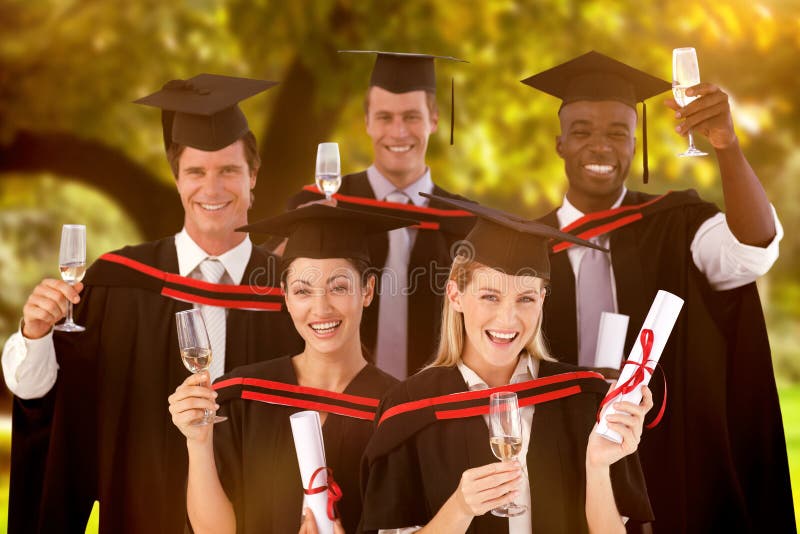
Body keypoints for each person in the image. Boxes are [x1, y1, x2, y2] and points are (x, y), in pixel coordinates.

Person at [1, 74, 304, 533]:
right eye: (197, 172)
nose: (213, 188)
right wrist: (35, 337)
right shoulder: (120, 284)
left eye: (228, 171)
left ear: (253, 176)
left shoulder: (293, 292)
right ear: (177, 179)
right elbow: (51, 406)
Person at [521, 51, 793, 531]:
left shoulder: (678, 224)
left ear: (635, 143)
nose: (599, 147)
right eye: (582, 131)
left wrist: (727, 146)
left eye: (617, 133)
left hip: (662, 455)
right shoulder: (522, 246)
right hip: (552, 455)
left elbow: (752, 251)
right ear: (559, 143)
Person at [360, 194, 654, 534]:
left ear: (542, 300)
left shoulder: (581, 398)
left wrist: (598, 466)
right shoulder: (409, 409)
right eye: (490, 296)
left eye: (525, 298)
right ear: (455, 295)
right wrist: (460, 507)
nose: (508, 318)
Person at [169, 204, 410, 533]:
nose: (321, 308)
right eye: (302, 291)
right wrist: (197, 443)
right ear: (285, 296)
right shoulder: (242, 397)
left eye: (339, 287)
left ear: (367, 290)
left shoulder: (399, 410)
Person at [287, 51, 474, 379]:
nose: (399, 132)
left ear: (434, 119)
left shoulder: (464, 221)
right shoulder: (318, 206)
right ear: (368, 122)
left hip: (436, 404)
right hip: (340, 402)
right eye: (385, 117)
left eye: (412, 117)